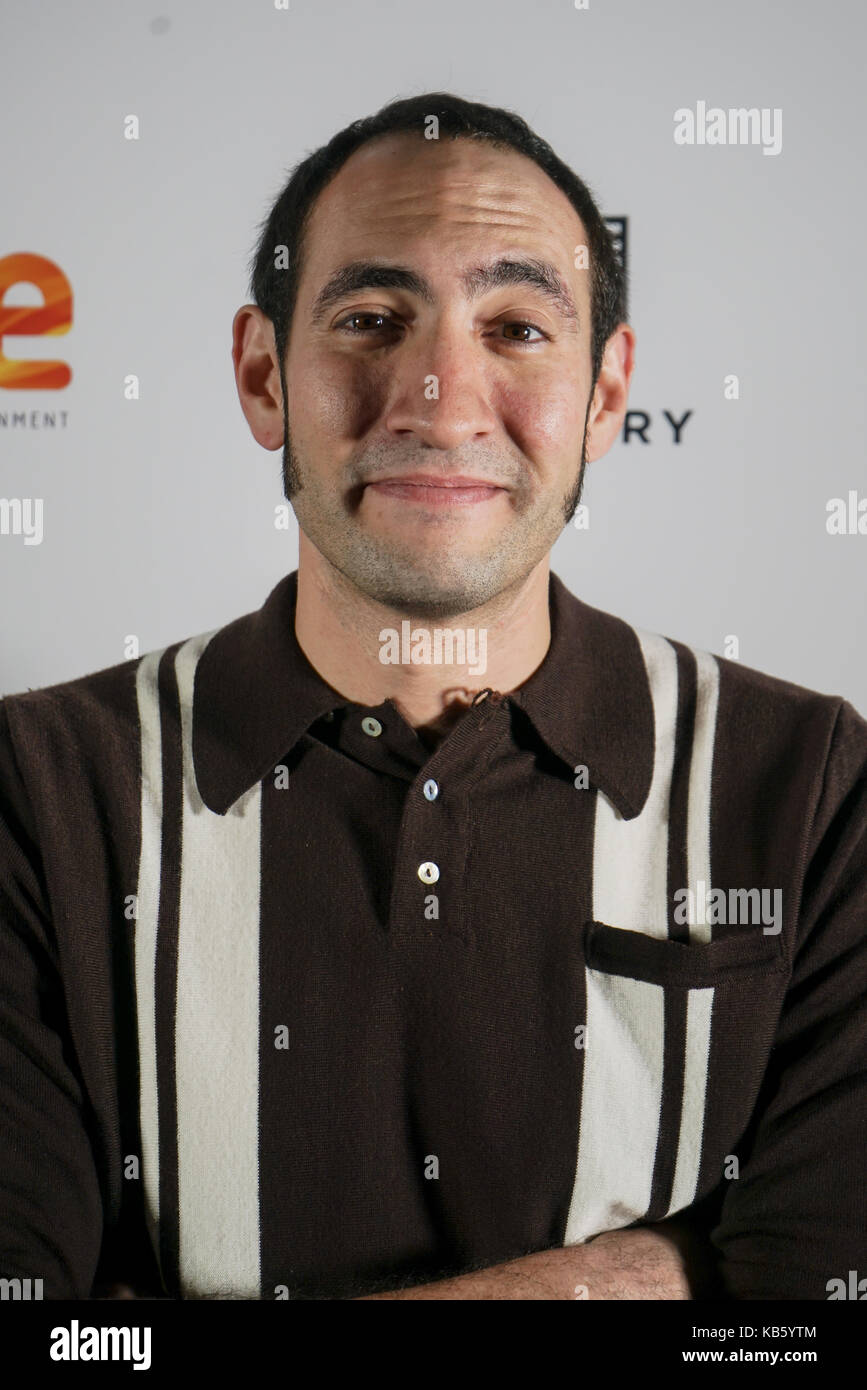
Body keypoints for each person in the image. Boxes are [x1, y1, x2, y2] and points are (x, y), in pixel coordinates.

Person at [1, 92, 865, 1302]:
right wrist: (645, 1272)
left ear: (608, 395)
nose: (441, 399)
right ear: (262, 377)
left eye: (516, 327)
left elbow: (810, 1319)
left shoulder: (815, 785)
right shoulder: (38, 793)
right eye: (369, 318)